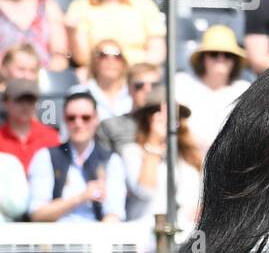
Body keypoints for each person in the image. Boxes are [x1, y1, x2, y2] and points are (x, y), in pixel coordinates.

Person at [27, 87, 126, 223]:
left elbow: (114, 215)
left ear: (96, 119)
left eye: (85, 118)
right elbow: (37, 214)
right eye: (71, 118)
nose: (78, 123)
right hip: (54, 239)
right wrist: (81, 197)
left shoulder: (111, 160)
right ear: (64, 119)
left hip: (97, 238)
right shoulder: (46, 157)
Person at [119, 87, 202, 224]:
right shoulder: (132, 151)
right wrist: (154, 142)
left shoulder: (190, 154)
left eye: (172, 114)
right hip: (148, 232)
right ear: (147, 118)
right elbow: (145, 190)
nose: (166, 119)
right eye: (159, 113)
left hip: (187, 233)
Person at [173, 26, 248, 155]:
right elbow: (175, 125)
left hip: (230, 161)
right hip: (187, 157)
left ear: (234, 61)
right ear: (203, 58)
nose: (221, 59)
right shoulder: (182, 83)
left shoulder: (244, 89)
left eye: (228, 55)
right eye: (214, 53)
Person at [95, 60, 159, 154]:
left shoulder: (172, 125)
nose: (148, 90)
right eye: (139, 85)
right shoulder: (110, 127)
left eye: (154, 85)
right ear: (129, 89)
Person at [0, 76, 59, 172]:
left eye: (30, 101)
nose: (25, 106)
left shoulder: (51, 137)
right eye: (19, 101)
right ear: (6, 103)